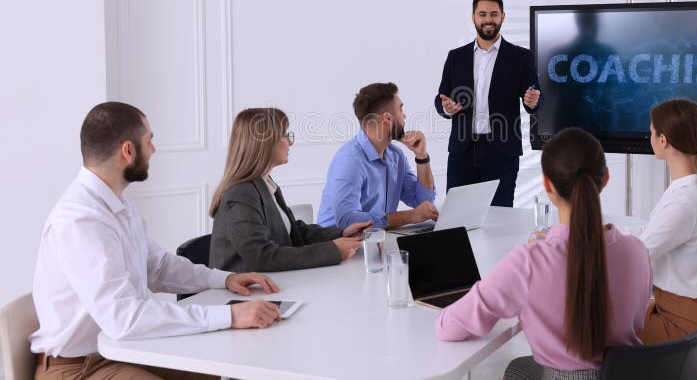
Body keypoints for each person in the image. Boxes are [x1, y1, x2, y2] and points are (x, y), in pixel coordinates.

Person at [30, 102, 283, 380]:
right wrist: (231, 317)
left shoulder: (118, 204)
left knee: (218, 368)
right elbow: (124, 319)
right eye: (149, 140)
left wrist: (224, 279)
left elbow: (158, 266)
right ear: (128, 150)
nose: (153, 149)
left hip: (121, 351)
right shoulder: (81, 220)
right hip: (79, 368)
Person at [436, 128, 652, 379]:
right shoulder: (638, 252)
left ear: (547, 184)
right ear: (605, 179)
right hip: (629, 375)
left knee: (515, 369)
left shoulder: (528, 262)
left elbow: (449, 328)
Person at [209, 108, 370, 272]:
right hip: (243, 293)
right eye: (285, 136)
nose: (290, 142)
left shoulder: (264, 183)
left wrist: (342, 234)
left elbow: (294, 231)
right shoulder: (241, 194)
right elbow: (262, 257)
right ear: (266, 143)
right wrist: (332, 251)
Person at [637, 98, 697, 363]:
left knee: (601, 325)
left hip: (687, 328)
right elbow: (650, 233)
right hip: (695, 316)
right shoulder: (692, 188)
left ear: (663, 140)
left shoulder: (684, 201)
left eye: (651, 132)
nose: (649, 137)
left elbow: (638, 254)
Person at [435, 0, 542, 207]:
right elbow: (440, 99)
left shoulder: (520, 57)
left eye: (493, 14)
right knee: (457, 218)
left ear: (503, 16)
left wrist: (534, 101)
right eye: (482, 14)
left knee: (499, 218)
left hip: (501, 152)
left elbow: (534, 96)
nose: (488, 20)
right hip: (462, 151)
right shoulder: (456, 57)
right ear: (473, 17)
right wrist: (446, 107)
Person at [317, 82, 438, 229]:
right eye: (400, 109)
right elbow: (348, 220)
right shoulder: (350, 160)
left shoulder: (396, 156)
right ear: (387, 119)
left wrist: (421, 156)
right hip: (338, 246)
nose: (404, 115)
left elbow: (424, 203)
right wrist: (409, 216)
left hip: (377, 241)